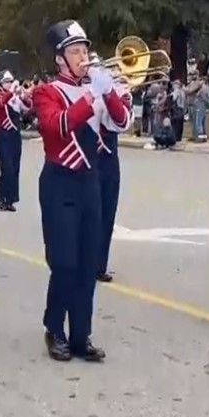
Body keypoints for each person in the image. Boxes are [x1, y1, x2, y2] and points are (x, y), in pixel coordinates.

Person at [32, 20, 129, 362]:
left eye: (84, 50)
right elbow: (57, 126)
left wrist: (110, 92)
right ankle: (54, 328)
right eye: (75, 51)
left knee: (88, 262)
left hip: (90, 182)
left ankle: (81, 335)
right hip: (59, 181)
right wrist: (92, 95)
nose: (83, 57)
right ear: (59, 58)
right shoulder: (46, 92)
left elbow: (120, 122)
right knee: (64, 261)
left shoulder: (97, 90)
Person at [95, 75, 133, 282]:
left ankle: (99, 264)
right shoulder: (84, 89)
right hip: (85, 156)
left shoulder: (122, 93)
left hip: (108, 158)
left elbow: (122, 121)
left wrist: (111, 91)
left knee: (107, 212)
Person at [0, 72, 30, 212]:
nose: (9, 83)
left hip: (15, 136)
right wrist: (12, 91)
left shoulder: (15, 97)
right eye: (6, 81)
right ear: (0, 83)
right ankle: (1, 197)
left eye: (11, 81)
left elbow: (28, 107)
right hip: (3, 136)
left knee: (15, 168)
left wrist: (24, 94)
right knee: (6, 168)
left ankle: (10, 199)